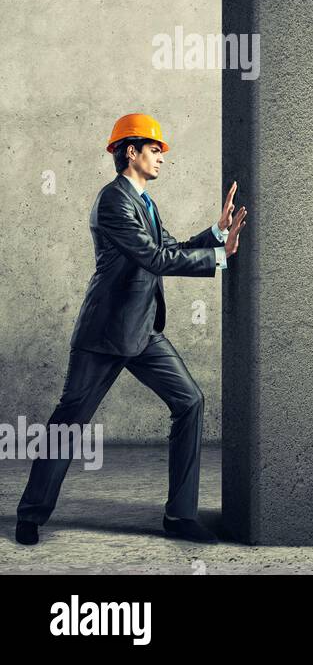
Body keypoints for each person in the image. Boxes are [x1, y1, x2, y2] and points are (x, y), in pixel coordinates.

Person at [14, 113, 247, 545]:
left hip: (142, 331)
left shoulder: (144, 200)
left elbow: (168, 247)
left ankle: (178, 517)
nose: (161, 157)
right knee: (69, 423)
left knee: (190, 401)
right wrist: (222, 257)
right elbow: (154, 259)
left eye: (160, 151)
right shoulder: (114, 201)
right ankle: (30, 513)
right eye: (155, 149)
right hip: (103, 335)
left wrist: (217, 232)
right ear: (131, 151)